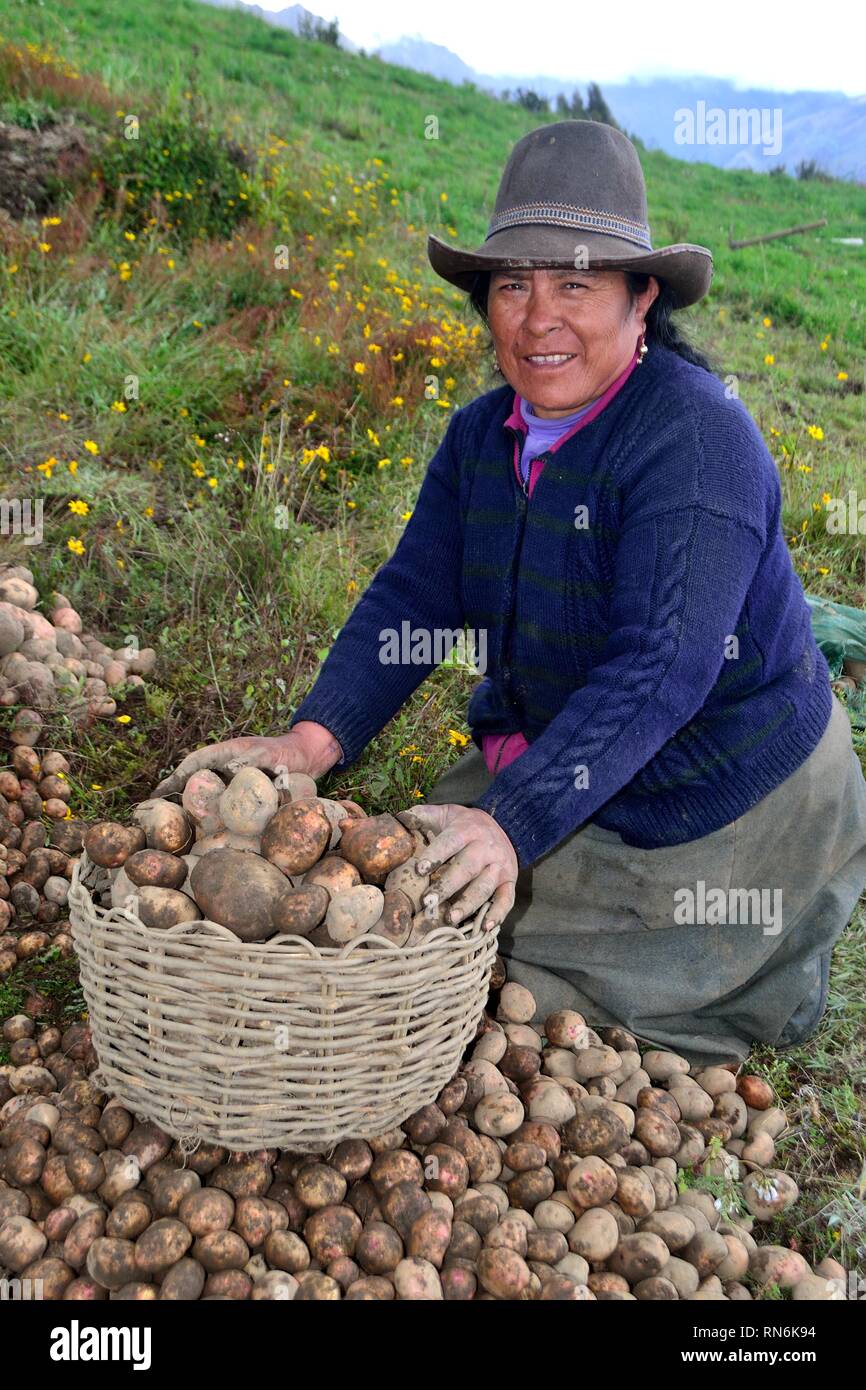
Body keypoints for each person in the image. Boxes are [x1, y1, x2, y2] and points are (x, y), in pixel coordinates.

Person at [155, 121, 866, 1067]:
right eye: (513, 284)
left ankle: (735, 957)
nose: (539, 319)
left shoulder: (698, 444)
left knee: (504, 964)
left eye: (576, 283)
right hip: (559, 734)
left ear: (641, 297)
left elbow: (664, 667)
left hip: (714, 789)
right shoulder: (482, 437)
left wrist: (513, 819)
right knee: (410, 893)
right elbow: (416, 593)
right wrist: (311, 739)